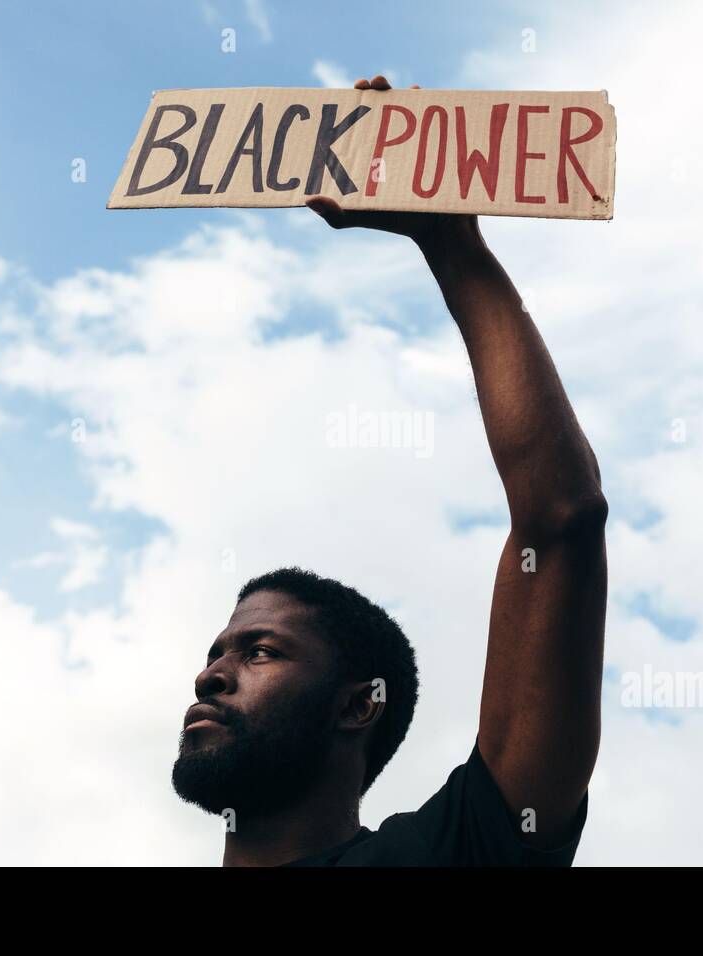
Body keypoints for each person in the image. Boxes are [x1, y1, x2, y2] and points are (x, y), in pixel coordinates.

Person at [172, 75, 608, 867]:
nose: (211, 676)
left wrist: (449, 242)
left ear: (357, 706)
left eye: (260, 652)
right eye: (219, 653)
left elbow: (561, 520)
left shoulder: (450, 853)